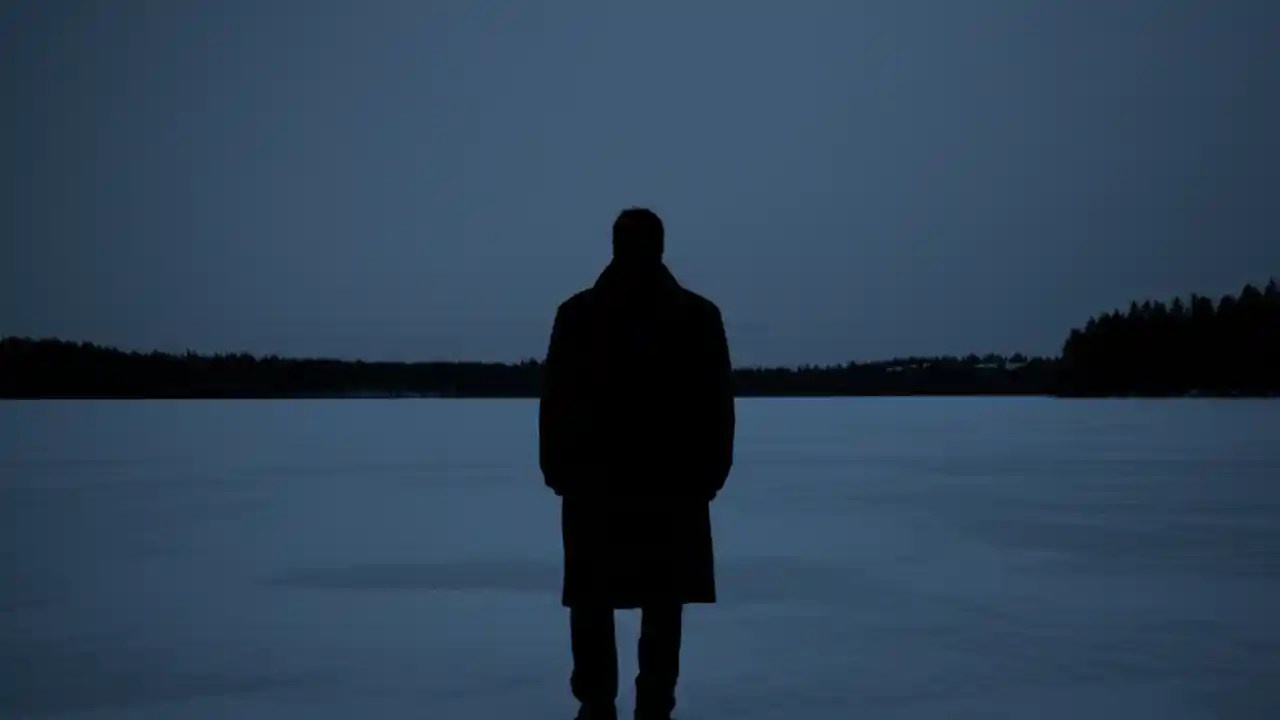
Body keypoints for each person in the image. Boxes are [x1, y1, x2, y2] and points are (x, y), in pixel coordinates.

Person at [539, 208, 735, 720]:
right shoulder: (695, 315)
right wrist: (711, 474)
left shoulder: (580, 313)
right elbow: (718, 408)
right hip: (657, 485)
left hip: (610, 484)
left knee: (606, 600)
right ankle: (643, 704)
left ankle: (606, 703)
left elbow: (556, 402)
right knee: (654, 601)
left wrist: (557, 468)